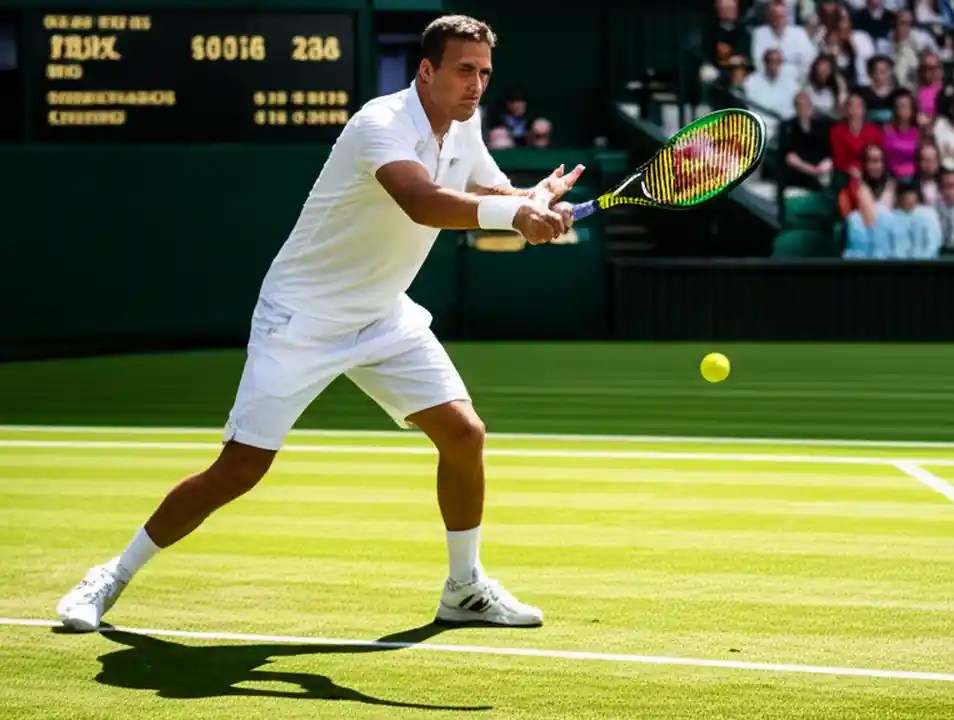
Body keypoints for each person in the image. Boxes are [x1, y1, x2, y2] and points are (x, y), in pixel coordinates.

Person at [55, 15, 578, 632]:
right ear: (427, 70)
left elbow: (490, 189)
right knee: (240, 469)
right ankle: (110, 575)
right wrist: (513, 216)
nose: (477, 86)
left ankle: (463, 589)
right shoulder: (378, 124)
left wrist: (532, 199)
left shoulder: (463, 130)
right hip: (302, 317)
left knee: (464, 435)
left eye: (485, 73)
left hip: (383, 314)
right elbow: (423, 202)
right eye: (465, 70)